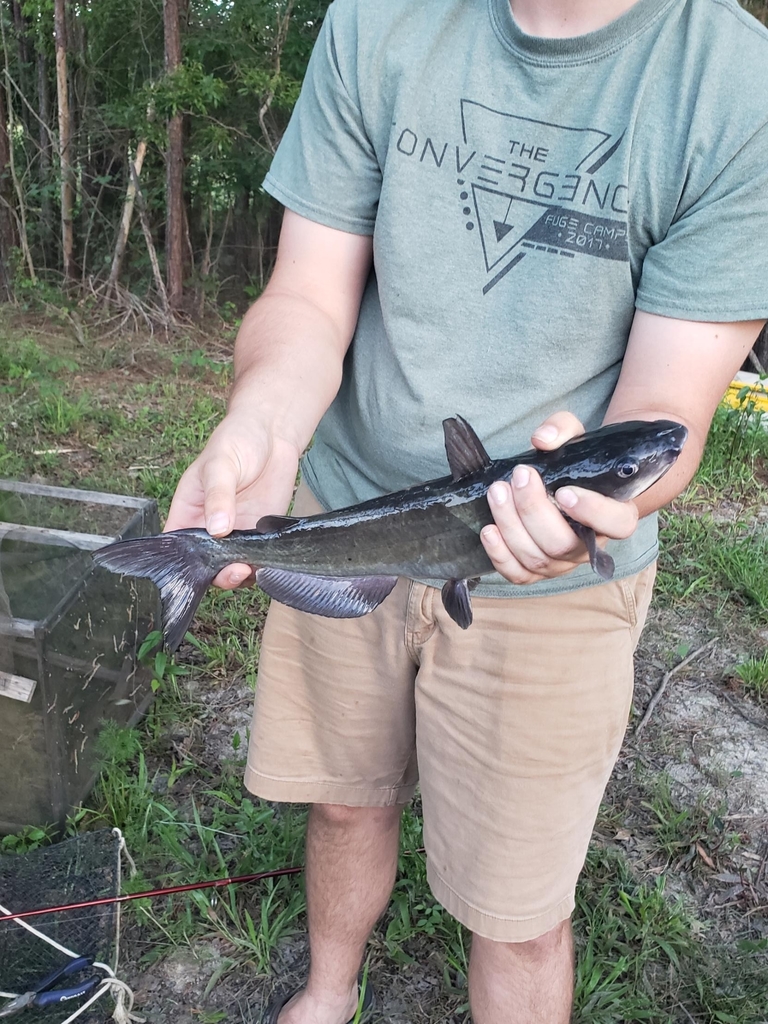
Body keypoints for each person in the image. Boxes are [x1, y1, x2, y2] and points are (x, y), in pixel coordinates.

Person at [165, 0, 768, 1019]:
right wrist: (262, 424)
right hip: (343, 505)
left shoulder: (738, 87)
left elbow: (665, 420)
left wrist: (592, 513)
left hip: (562, 578)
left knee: (521, 903)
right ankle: (325, 992)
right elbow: (308, 295)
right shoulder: (378, 20)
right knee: (344, 798)